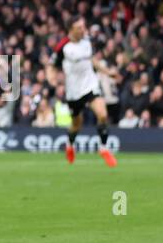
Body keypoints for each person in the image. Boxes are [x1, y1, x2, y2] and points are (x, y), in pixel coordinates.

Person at [50, 18, 117, 167]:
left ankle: (104, 148)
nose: (83, 29)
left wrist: (107, 72)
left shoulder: (86, 41)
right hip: (73, 91)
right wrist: (52, 79)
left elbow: (92, 60)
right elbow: (51, 65)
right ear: (71, 30)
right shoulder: (63, 46)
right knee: (76, 124)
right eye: (79, 27)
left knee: (103, 114)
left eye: (83, 26)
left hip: (90, 85)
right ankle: (70, 144)